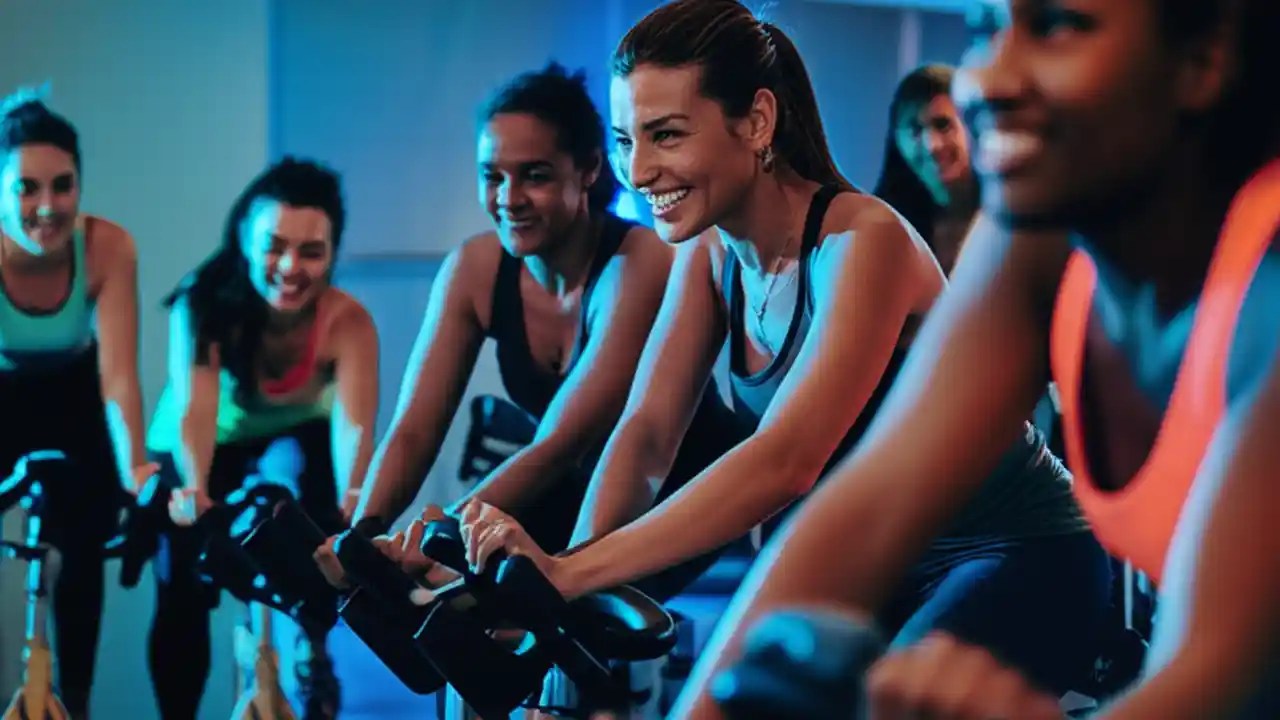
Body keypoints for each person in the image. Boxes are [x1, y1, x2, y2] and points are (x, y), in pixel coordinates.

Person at [450, 0, 1109, 702]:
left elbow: (786, 462)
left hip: (1015, 549)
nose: (638, 171)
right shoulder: (709, 257)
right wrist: (568, 593)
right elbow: (645, 438)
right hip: (876, 561)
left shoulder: (861, 240)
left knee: (883, 705)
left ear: (758, 121)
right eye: (624, 140)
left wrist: (573, 573)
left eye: (666, 135)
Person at [671, 0, 1280, 717]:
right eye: (986, 28)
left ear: (1201, 62)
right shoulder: (1036, 234)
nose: (984, 76)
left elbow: (1218, 672)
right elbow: (866, 506)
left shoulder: (1265, 290)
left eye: (1056, 26)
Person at [317, 62, 739, 603]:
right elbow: (413, 431)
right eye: (492, 176)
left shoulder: (640, 262)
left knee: (539, 615)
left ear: (587, 170)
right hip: (572, 479)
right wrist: (363, 535)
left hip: (673, 486)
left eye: (535, 175)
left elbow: (565, 439)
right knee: (456, 600)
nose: (508, 198)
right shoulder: (474, 269)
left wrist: (444, 531)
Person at [144, 157, 378, 720]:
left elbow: (353, 427)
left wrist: (355, 508)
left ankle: (313, 652)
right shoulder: (201, 303)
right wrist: (195, 492)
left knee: (322, 520)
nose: (290, 267)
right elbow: (196, 411)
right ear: (244, 241)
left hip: (295, 436)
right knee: (181, 576)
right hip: (203, 439)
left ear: (333, 253)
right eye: (274, 246)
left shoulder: (348, 322)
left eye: (312, 252)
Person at [0, 89, 154, 720]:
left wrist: (136, 465)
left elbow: (118, 379)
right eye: (26, 188)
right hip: (3, 394)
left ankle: (79, 701)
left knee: (86, 539)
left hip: (75, 393)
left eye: (62, 186)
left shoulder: (109, 247)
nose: (45, 207)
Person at [873, 64, 978, 276]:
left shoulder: (1011, 216)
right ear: (897, 140)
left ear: (972, 126)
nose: (932, 145)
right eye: (915, 129)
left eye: (943, 124)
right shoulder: (883, 227)